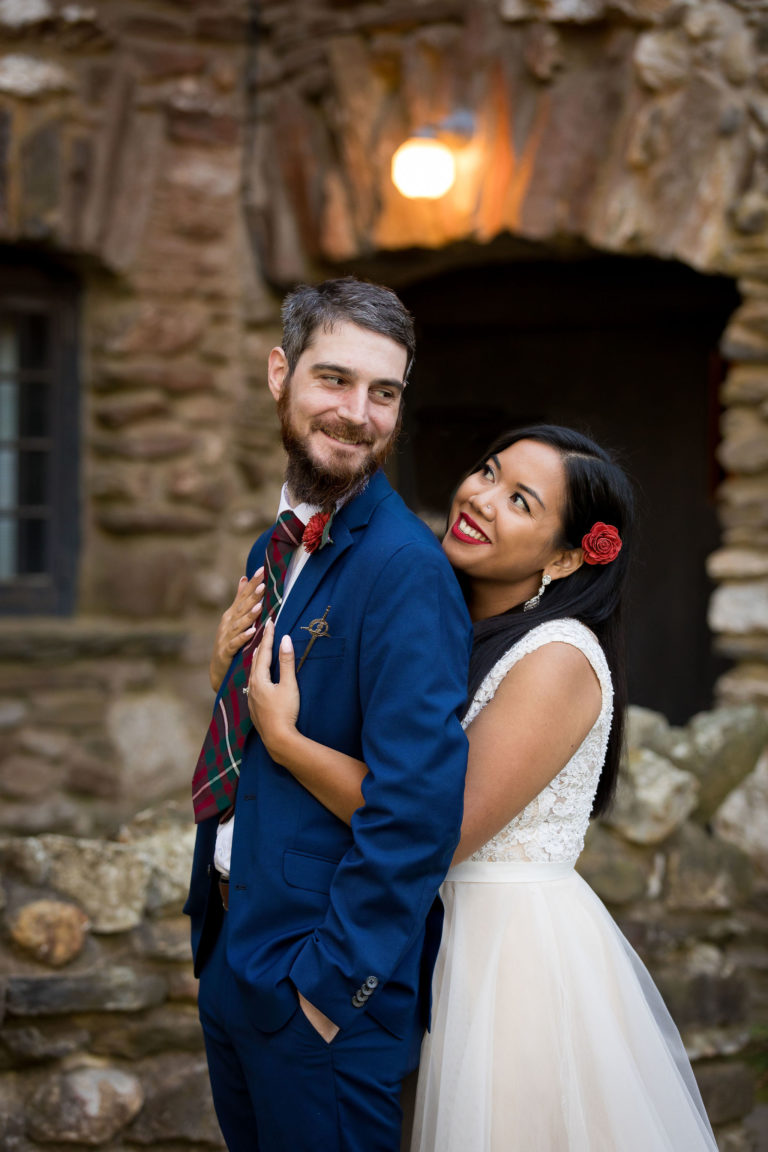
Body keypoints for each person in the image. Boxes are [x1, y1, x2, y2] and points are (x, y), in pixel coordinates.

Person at [249, 424, 719, 1151]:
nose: (482, 498)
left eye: (521, 500)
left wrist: (288, 743)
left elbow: (442, 824)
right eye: (489, 472)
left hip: (507, 958)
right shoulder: (445, 622)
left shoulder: (559, 660)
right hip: (410, 926)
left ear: (565, 557)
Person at [184, 277, 472, 1152]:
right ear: (280, 373)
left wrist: (325, 993)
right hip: (235, 948)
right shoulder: (273, 547)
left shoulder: (406, 570)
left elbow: (418, 815)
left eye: (383, 393)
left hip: (320, 987)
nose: (358, 413)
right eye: (334, 381)